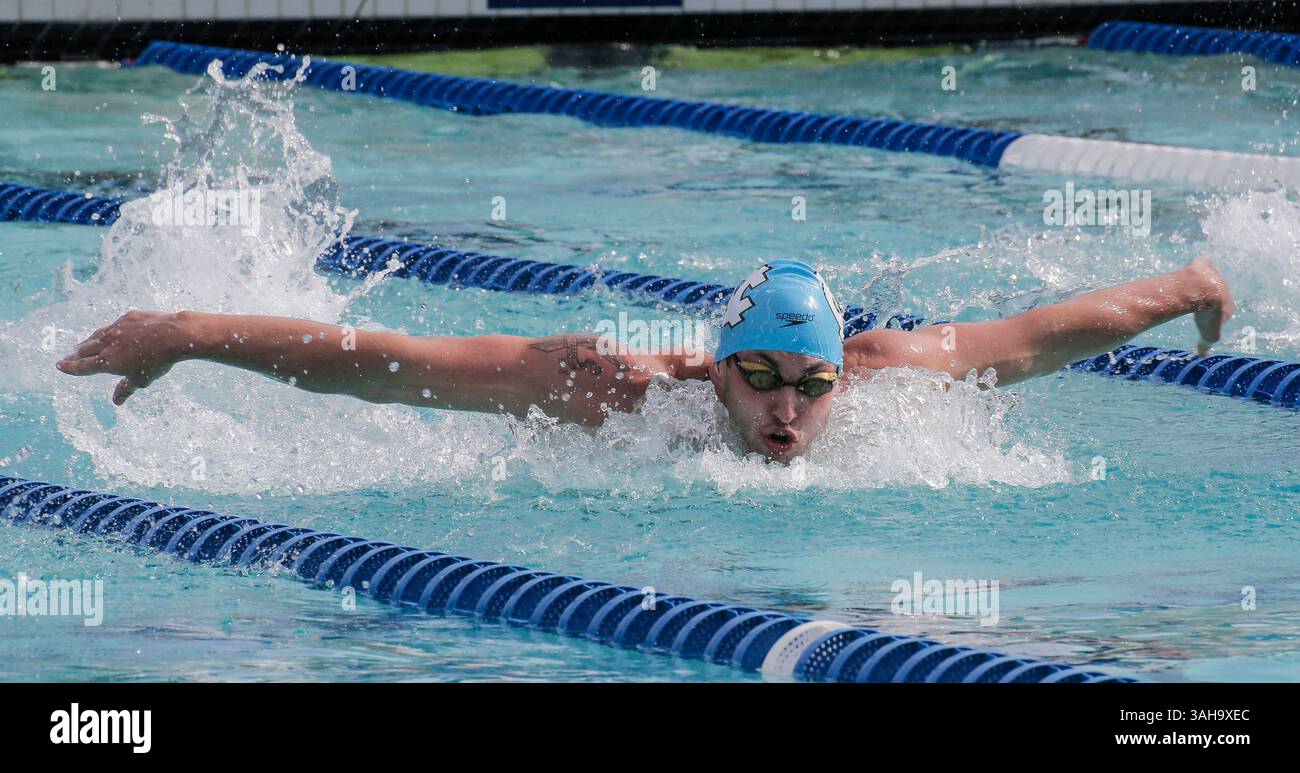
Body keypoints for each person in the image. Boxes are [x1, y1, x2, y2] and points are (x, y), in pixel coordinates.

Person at [56, 257, 1234, 464]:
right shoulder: (611, 391)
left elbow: (1048, 330)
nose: (785, 409)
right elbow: (389, 360)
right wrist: (195, 333)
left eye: (807, 386)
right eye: (761, 379)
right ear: (716, 372)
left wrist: (1186, 289)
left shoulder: (885, 376)